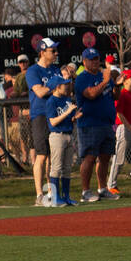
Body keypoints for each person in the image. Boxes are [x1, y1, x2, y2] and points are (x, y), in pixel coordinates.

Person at [73, 48, 120, 202]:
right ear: (84, 61)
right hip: (89, 123)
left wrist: (117, 85)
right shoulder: (82, 78)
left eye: (96, 58)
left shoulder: (102, 74)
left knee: (105, 157)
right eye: (91, 59)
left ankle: (103, 188)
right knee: (90, 157)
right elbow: (91, 94)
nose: (95, 62)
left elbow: (115, 95)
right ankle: (85, 191)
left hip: (106, 122)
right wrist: (106, 81)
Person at [26, 39, 62, 205]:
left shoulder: (56, 69)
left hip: (56, 114)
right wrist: (56, 83)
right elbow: (39, 92)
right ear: (42, 52)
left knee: (54, 156)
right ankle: (39, 194)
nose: (55, 53)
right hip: (40, 115)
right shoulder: (33, 71)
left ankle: (52, 192)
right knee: (41, 155)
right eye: (52, 50)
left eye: (56, 50)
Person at [44, 75, 79, 206]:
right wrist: (67, 112)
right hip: (57, 136)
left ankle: (66, 196)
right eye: (64, 84)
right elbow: (53, 122)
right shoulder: (51, 101)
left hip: (69, 134)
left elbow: (68, 119)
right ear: (57, 87)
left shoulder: (66, 99)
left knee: (67, 168)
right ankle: (55, 197)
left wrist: (74, 116)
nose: (67, 86)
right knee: (56, 167)